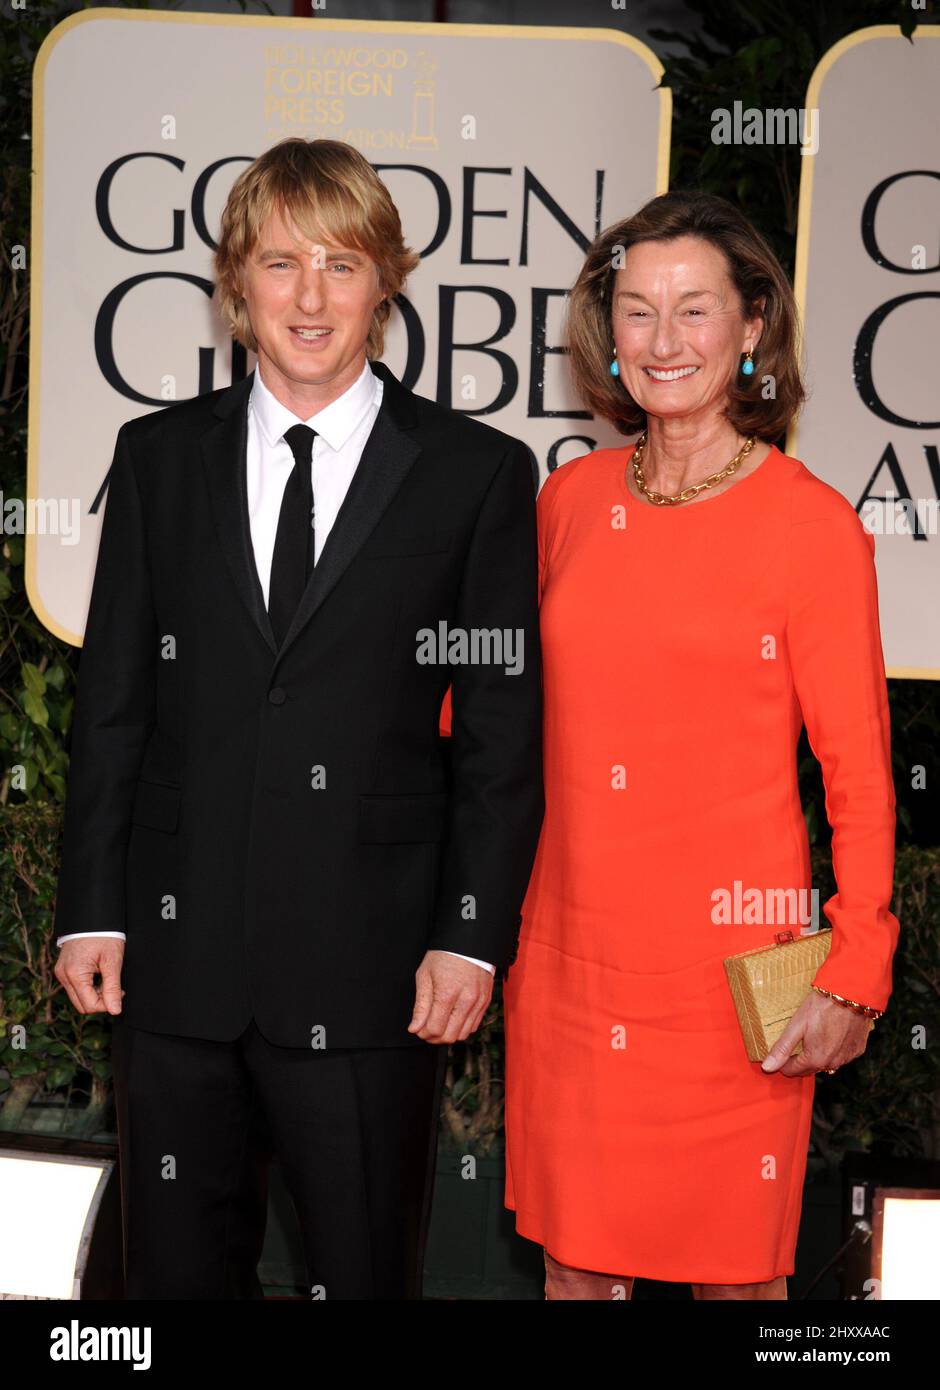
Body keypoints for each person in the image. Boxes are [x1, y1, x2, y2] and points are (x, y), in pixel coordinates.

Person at [53, 137, 543, 1300]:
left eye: (341, 263)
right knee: (168, 1280)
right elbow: (114, 704)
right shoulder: (159, 459)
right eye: (280, 264)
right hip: (175, 961)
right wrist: (92, 910)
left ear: (386, 281)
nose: (310, 298)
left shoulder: (475, 472)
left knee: (363, 1272)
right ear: (237, 284)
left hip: (374, 969)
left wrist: (470, 933)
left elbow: (499, 728)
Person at [502, 190, 899, 1301]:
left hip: (731, 988)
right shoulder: (569, 501)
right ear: (606, 331)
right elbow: (497, 715)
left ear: (751, 328)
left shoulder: (810, 527)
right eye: (635, 312)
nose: (662, 342)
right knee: (574, 1274)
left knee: (735, 1283)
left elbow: (859, 777)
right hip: (573, 966)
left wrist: (855, 970)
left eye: (693, 311)